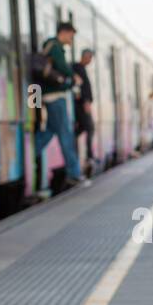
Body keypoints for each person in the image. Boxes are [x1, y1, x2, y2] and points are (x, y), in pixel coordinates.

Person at [35, 22, 87, 191]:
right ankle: (74, 174)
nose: (72, 39)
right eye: (71, 35)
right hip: (55, 97)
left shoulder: (51, 46)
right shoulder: (55, 47)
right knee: (66, 134)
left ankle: (29, 156)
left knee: (50, 131)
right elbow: (63, 67)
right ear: (64, 32)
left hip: (51, 96)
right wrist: (74, 77)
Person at [72, 48, 96, 177]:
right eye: (89, 58)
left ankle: (87, 157)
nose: (90, 61)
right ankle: (89, 157)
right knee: (89, 127)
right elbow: (80, 87)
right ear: (85, 56)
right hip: (81, 105)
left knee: (83, 129)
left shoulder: (80, 68)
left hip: (82, 104)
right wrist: (86, 101)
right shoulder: (77, 68)